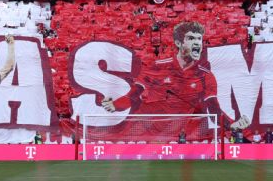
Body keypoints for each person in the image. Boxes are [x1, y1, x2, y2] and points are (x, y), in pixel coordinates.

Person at [99, 22, 250, 135]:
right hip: (147, 132)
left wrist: (232, 125)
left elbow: (213, 108)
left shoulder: (206, 76)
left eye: (199, 39)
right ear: (178, 43)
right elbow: (134, 95)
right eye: (191, 38)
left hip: (180, 133)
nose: (197, 42)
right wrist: (115, 105)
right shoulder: (157, 67)